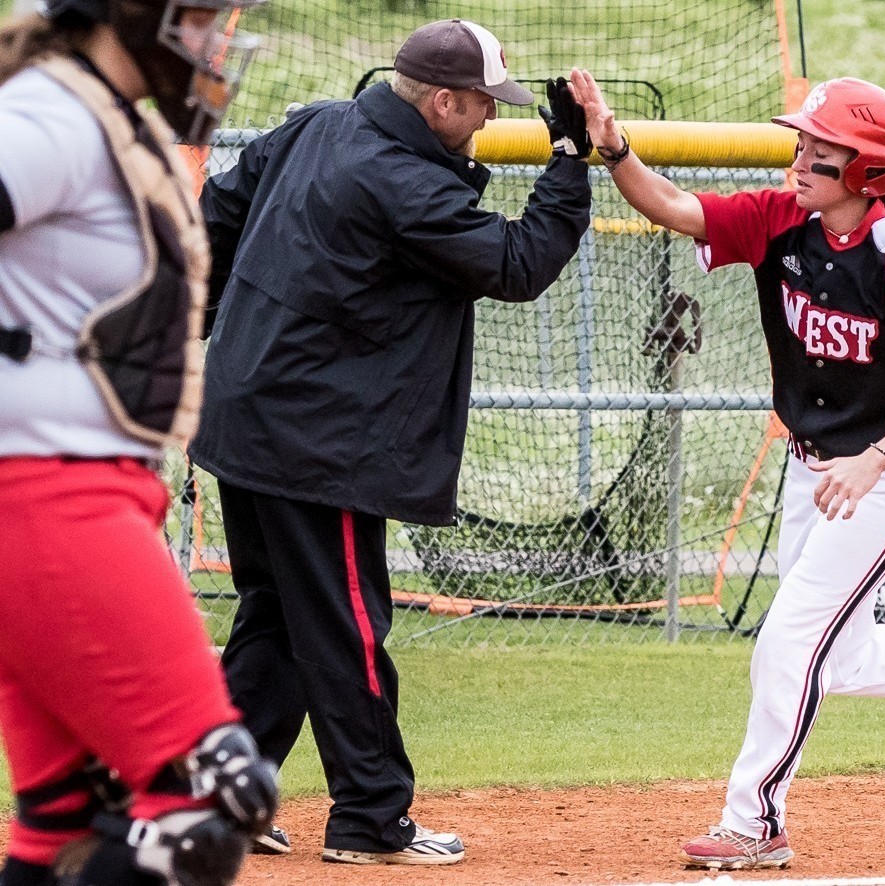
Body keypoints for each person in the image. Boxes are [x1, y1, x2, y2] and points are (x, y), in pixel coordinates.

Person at [568, 69, 885, 871]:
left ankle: (754, 822)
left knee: (789, 639)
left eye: (820, 151)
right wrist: (615, 148)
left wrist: (876, 459)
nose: (800, 158)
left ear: (867, 171)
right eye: (802, 142)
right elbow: (677, 209)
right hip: (815, 471)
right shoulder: (778, 219)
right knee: (842, 656)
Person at [189, 18, 593, 867]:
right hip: (315, 440)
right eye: (483, 102)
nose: (489, 116)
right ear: (441, 100)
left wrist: (227, 329)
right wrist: (570, 160)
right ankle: (372, 818)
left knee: (278, 613)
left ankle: (220, 805)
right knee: (345, 627)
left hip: (247, 410)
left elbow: (218, 211)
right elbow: (518, 264)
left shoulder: (318, 125)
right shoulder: (401, 179)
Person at [0, 1, 279, 885]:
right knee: (208, 803)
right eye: (198, 17)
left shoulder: (106, 118)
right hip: (46, 496)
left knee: (67, 828)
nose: (215, 43)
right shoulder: (53, 115)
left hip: (78, 494)